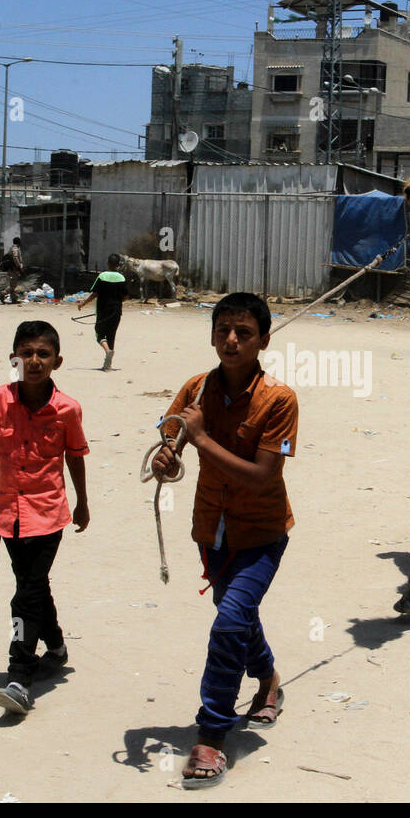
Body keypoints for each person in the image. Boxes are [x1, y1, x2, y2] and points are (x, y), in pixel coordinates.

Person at [150, 293, 298, 789]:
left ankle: (212, 733)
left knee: (230, 620)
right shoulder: (196, 390)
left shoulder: (279, 400)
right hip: (209, 528)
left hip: (261, 532)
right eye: (223, 331)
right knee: (238, 616)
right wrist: (166, 460)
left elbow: (261, 477)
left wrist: (202, 440)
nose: (231, 340)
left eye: (244, 333)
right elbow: (170, 444)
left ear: (264, 341)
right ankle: (269, 681)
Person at [0, 320, 90, 714]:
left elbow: (75, 457)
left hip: (48, 515)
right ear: (13, 359)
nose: (34, 361)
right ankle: (56, 645)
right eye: (26, 353)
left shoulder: (68, 409)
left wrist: (83, 502)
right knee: (34, 586)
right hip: (8, 514)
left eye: (43, 354)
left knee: (24, 595)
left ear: (57, 361)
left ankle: (19, 675)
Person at [76, 253, 128, 370]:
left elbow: (95, 294)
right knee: (111, 335)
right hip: (116, 311)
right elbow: (125, 296)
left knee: (99, 334)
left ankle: (108, 351)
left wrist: (83, 303)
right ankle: (108, 365)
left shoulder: (102, 276)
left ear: (108, 263)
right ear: (118, 265)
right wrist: (117, 303)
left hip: (102, 311)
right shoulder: (122, 277)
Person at [3, 236, 24, 304]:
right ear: (18, 242)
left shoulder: (12, 248)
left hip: (11, 268)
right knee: (13, 285)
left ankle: (13, 299)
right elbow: (15, 258)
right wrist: (19, 267)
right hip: (13, 269)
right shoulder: (15, 249)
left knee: (13, 283)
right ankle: (2, 294)